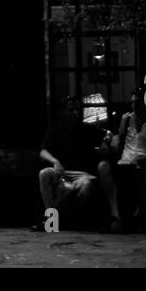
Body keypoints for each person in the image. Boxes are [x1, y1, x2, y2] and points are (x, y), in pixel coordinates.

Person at [98, 87, 146, 232]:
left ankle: (139, 216)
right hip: (126, 162)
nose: (134, 106)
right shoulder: (126, 119)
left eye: (138, 103)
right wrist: (108, 142)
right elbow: (119, 140)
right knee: (103, 166)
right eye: (132, 103)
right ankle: (115, 216)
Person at [35, 96, 100, 231]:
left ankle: (60, 219)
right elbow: (42, 151)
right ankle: (51, 218)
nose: (74, 113)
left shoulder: (86, 130)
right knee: (44, 174)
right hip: (61, 171)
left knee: (87, 185)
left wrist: (108, 140)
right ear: (64, 111)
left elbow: (108, 136)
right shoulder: (55, 129)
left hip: (81, 174)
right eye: (71, 110)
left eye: (76, 110)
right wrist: (55, 161)